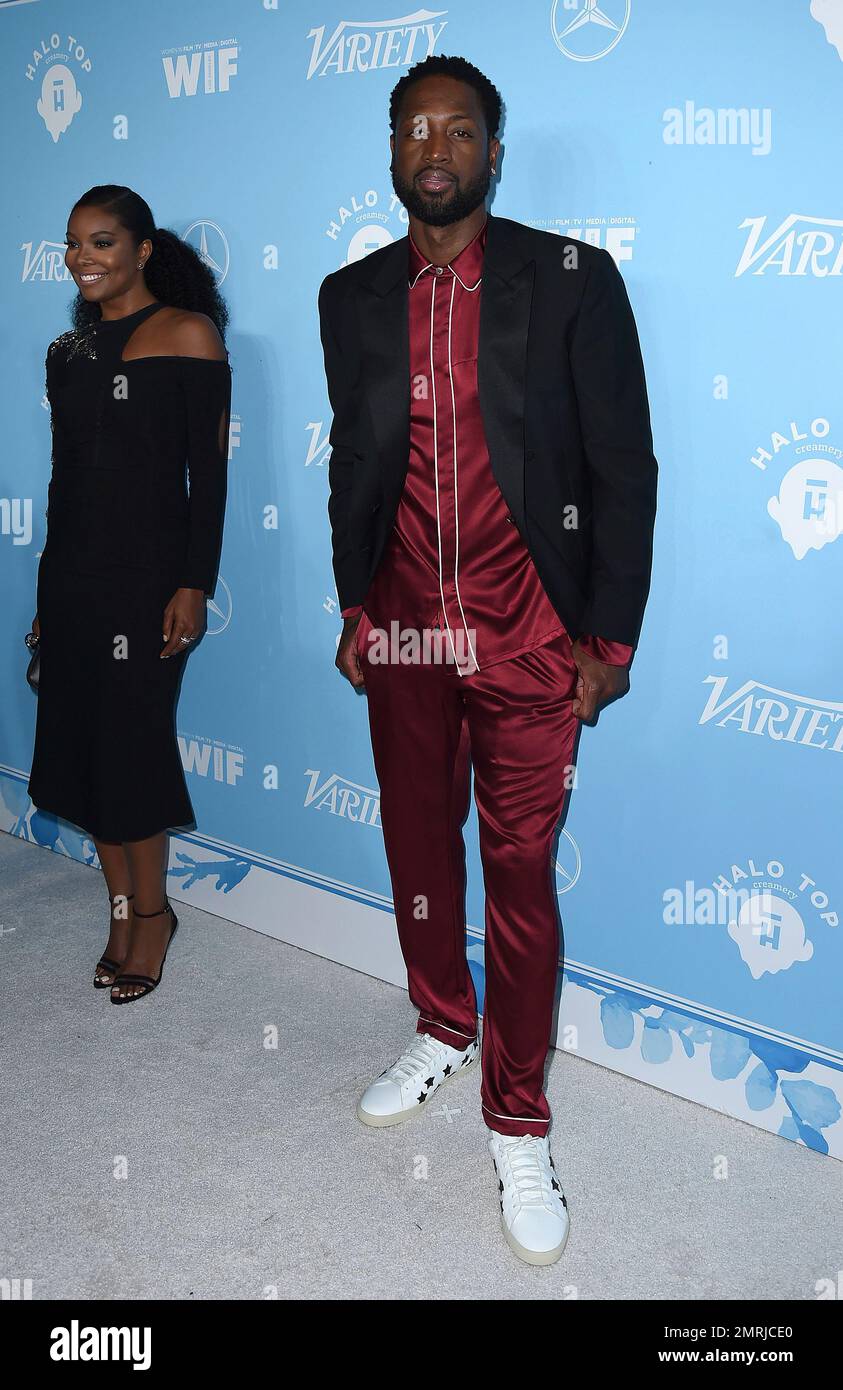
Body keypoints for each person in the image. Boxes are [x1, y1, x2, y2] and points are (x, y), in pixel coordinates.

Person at [318, 56, 658, 1264]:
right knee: (417, 842)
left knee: (520, 880)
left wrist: (609, 634)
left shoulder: (570, 280)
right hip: (406, 633)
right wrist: (359, 607)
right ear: (394, 148)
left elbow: (625, 466)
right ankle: (440, 1021)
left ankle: (519, 1116)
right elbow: (352, 469)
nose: (436, 142)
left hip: (527, 638)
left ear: (495, 151)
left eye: (461, 126)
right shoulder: (351, 295)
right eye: (416, 126)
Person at [28, 184, 231, 1004]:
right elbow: (65, 480)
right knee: (86, 754)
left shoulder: (189, 334)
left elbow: (208, 481)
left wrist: (194, 584)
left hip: (150, 582)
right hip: (73, 578)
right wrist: (49, 590)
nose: (83, 257)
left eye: (102, 242)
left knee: (131, 751)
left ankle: (153, 916)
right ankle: (123, 914)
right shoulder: (66, 354)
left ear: (144, 250)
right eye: (74, 242)